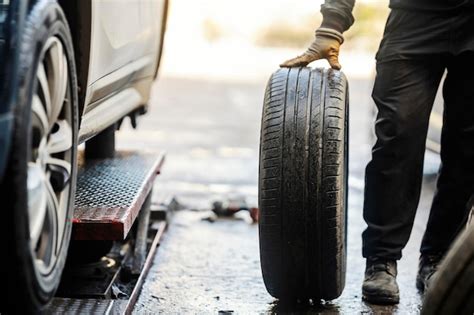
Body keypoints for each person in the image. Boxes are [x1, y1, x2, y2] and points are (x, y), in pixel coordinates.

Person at [281, 0, 474, 305]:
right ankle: (381, 263)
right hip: (415, 19)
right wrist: (332, 24)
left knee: (469, 151)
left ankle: (439, 259)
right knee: (397, 135)